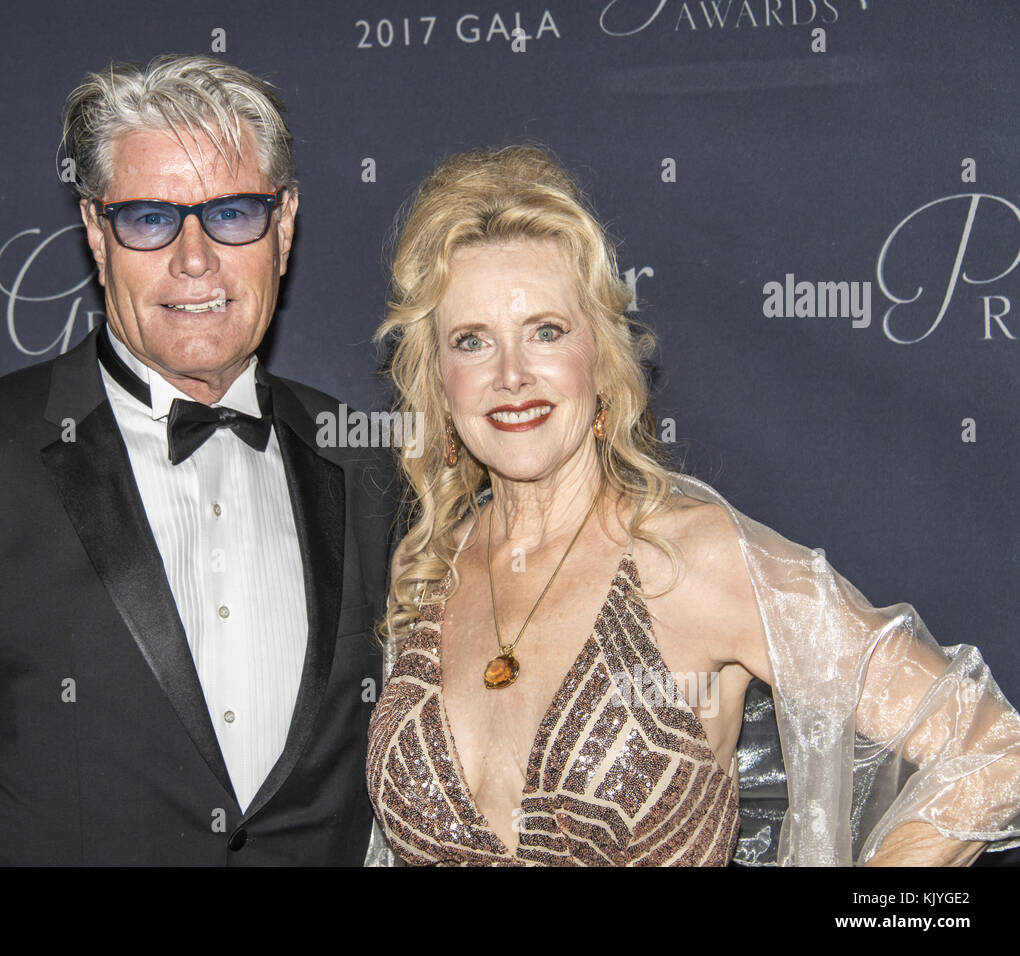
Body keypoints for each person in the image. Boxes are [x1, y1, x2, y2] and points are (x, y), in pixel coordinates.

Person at [0, 54, 396, 865]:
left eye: (232, 214)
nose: (194, 259)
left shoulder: (373, 469)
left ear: (284, 225)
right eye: (150, 218)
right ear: (95, 232)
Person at [364, 145, 1020, 866]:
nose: (512, 375)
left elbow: (993, 747)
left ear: (602, 361)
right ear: (440, 382)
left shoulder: (698, 561)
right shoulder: (426, 571)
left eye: (546, 332)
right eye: (472, 342)